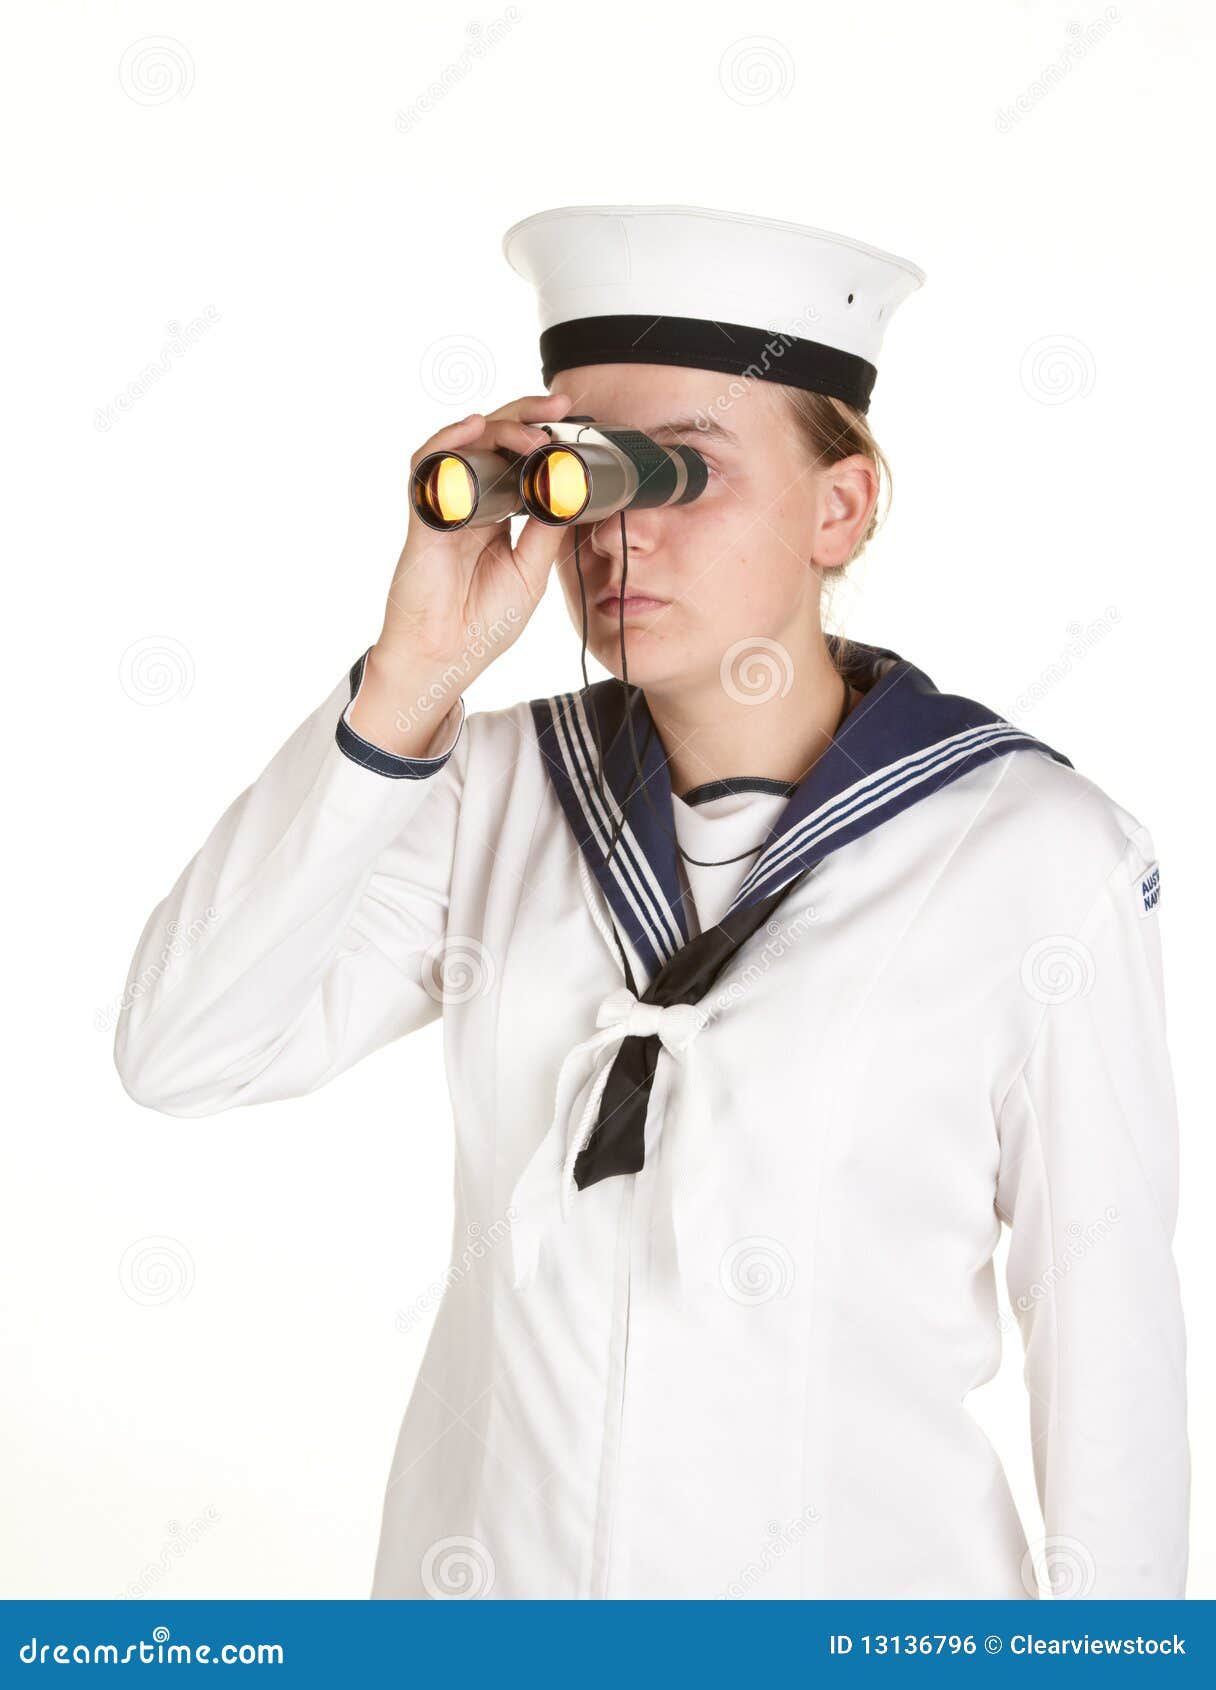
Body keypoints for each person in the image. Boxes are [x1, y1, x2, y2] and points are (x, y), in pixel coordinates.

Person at [114, 204, 1188, 1600]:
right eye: (581, 478)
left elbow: (1107, 1345)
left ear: (840, 506)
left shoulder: (1028, 849)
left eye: (684, 471)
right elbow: (180, 1048)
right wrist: (414, 673)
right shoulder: (481, 791)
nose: (621, 536)